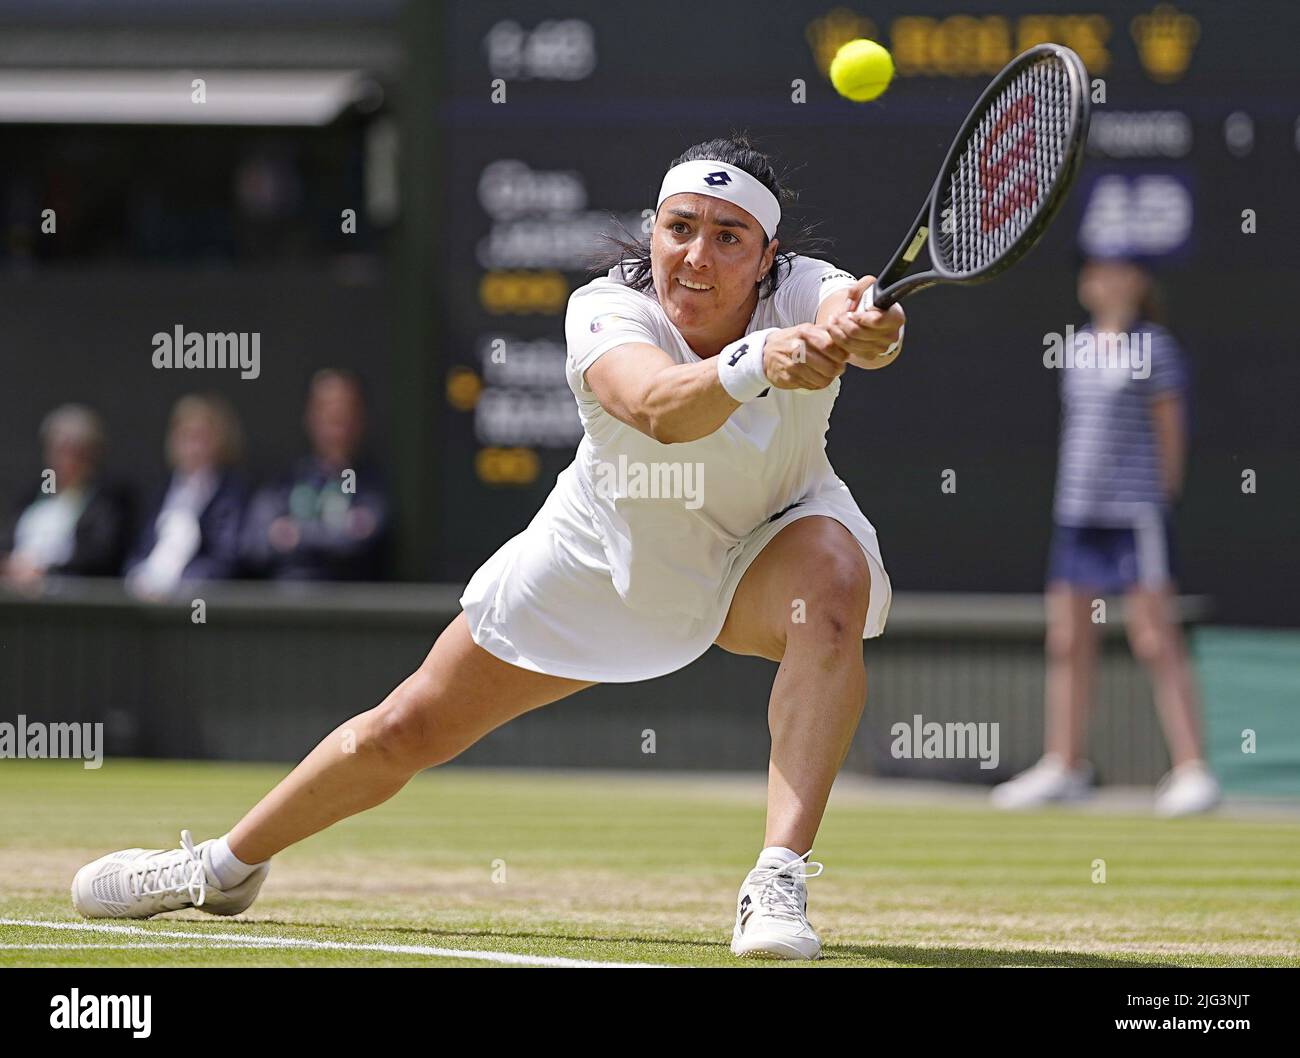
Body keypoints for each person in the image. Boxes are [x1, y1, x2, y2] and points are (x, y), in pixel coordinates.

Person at [70, 136, 906, 961]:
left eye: (729, 237)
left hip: (768, 543)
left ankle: (776, 877)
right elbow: (657, 407)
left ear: (767, 259)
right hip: (604, 560)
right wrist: (755, 359)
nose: (697, 255)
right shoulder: (605, 309)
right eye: (680, 227)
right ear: (653, 231)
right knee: (401, 731)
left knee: (833, 588)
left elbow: (856, 312)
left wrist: (869, 330)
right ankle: (218, 868)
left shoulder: (801, 290)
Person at [992, 255, 1219, 818]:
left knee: (1153, 637)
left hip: (1135, 514)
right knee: (1068, 640)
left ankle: (1193, 770)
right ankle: (1064, 766)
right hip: (1077, 514)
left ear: (1138, 282)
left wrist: (1157, 501)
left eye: (1116, 271)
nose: (1101, 281)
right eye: (1094, 271)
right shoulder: (1077, 346)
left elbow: (1171, 436)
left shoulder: (1156, 347)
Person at [240, 369, 390, 581]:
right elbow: (255, 543)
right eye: (327, 413)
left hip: (350, 604)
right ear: (310, 416)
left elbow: (360, 542)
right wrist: (334, 530)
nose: (336, 425)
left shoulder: (371, 483)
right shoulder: (287, 479)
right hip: (285, 599)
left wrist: (294, 533)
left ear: (359, 419)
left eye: (344, 414)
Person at [125, 394, 247, 596]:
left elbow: (226, 560)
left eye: (201, 437)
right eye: (185, 436)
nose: (192, 447)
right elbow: (138, 551)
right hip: (145, 601)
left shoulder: (231, 495)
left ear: (220, 441)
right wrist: (138, 578)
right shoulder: (160, 491)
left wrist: (177, 587)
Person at [1, 404, 133, 589]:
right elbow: (6, 540)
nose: (62, 459)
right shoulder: (34, 494)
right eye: (56, 449)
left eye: (72, 450)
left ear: (90, 454)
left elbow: (100, 557)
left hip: (65, 595)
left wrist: (45, 572)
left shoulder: (108, 500)